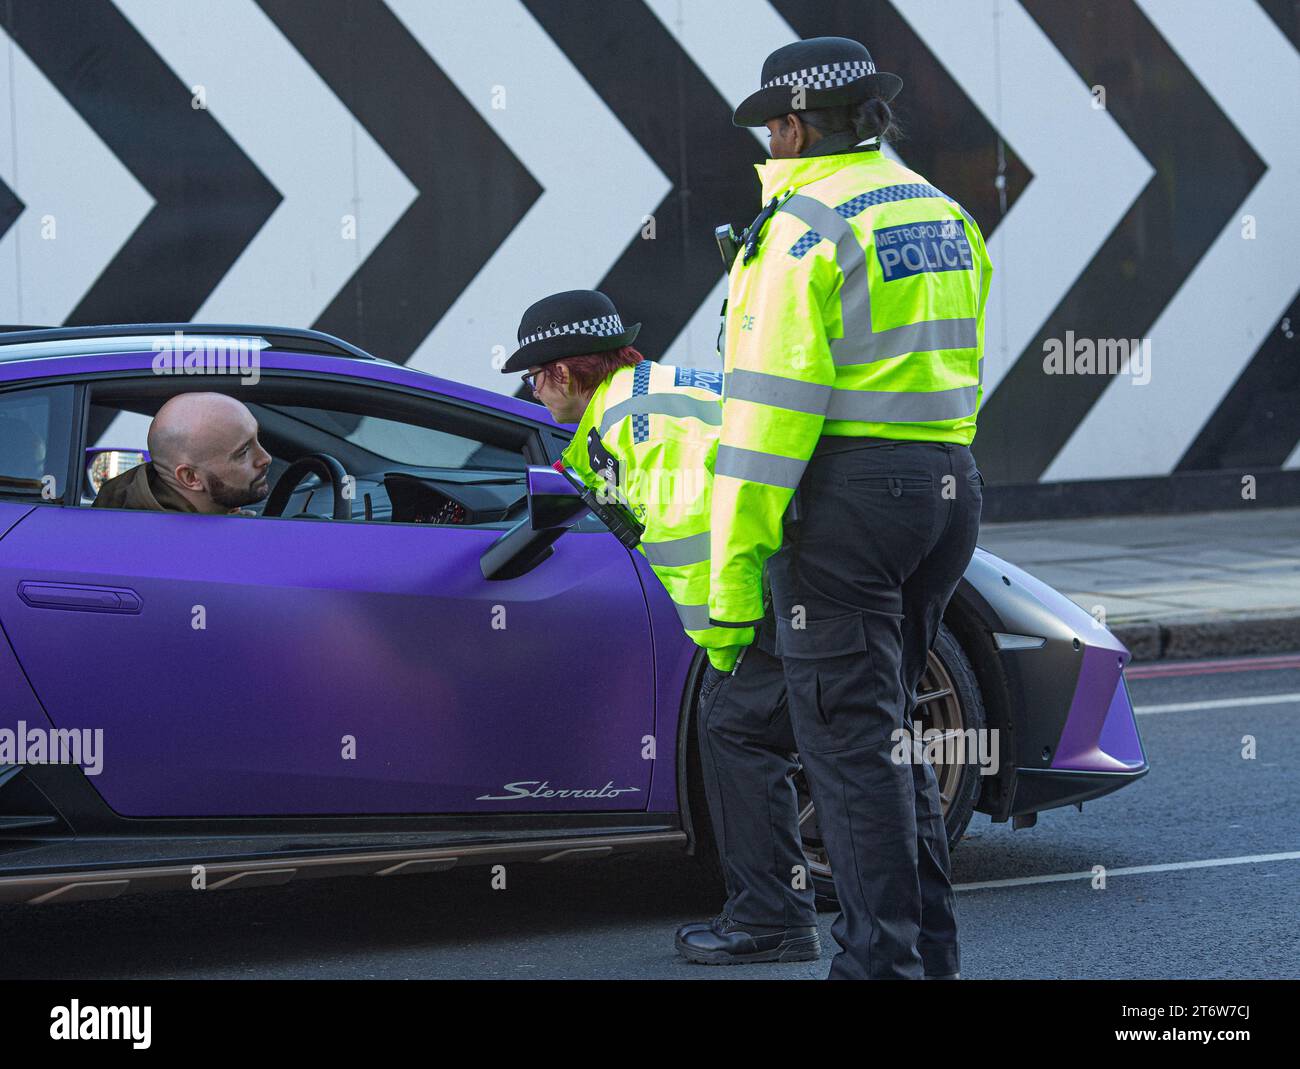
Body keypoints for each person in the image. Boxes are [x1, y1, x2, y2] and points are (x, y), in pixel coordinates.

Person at [706, 36, 992, 979]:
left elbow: (766, 423)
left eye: (772, 128)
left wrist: (731, 589)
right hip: (947, 485)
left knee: (850, 749)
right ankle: (928, 956)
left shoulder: (799, 232)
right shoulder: (941, 210)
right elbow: (964, 362)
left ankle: (879, 967)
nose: (770, 145)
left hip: (847, 502)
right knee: (892, 733)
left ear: (793, 127)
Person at [502, 289, 822, 964]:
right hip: (818, 558)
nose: (532, 392)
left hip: (781, 582)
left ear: (563, 373)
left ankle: (772, 920)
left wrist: (725, 646)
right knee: (855, 730)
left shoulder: (637, 429)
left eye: (533, 377)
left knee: (734, 727)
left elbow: (698, 549)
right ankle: (891, 909)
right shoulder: (656, 391)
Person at [94, 392, 272, 514]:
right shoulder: (178, 548)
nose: (265, 458)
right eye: (243, 452)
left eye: (257, 438)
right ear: (191, 477)